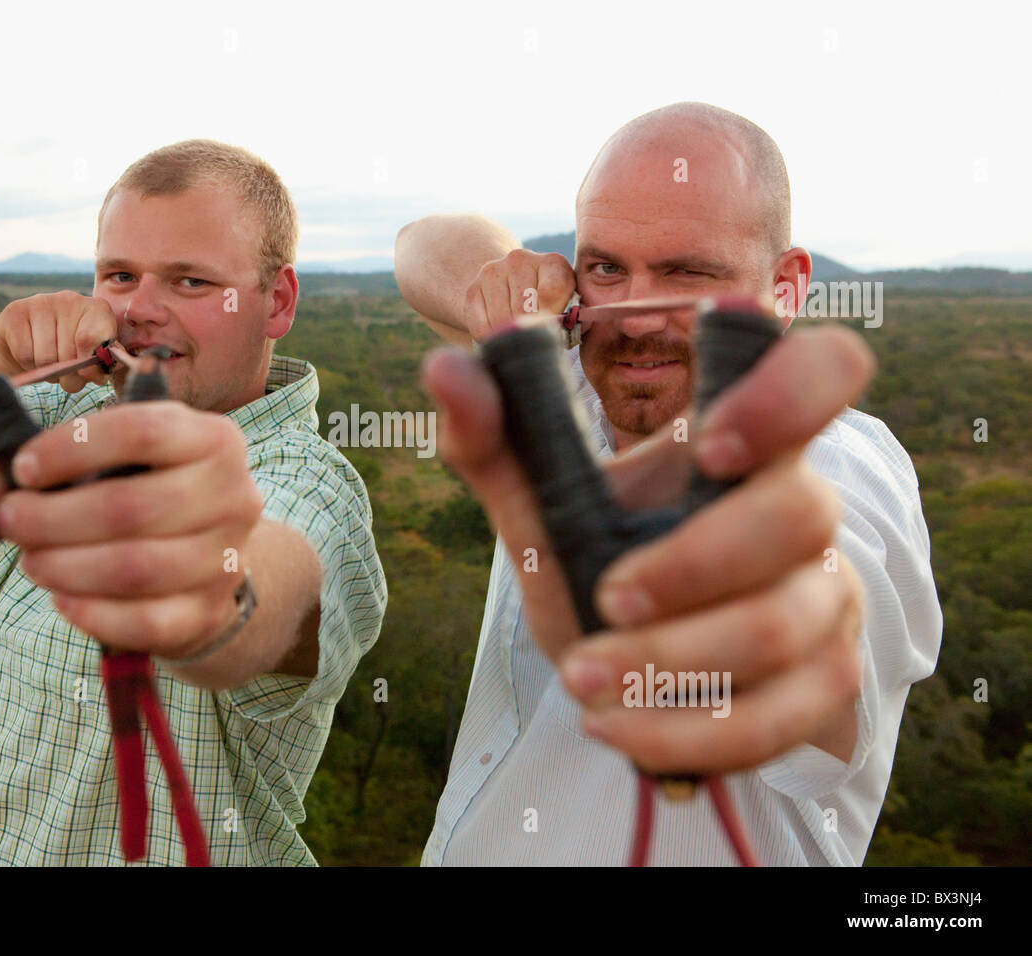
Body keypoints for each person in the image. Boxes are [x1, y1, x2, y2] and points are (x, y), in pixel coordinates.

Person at [0, 139, 386, 865]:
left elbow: (261, 600)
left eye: (191, 282)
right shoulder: (57, 419)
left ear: (278, 302)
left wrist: (192, 570)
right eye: (119, 274)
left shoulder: (307, 482)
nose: (139, 309)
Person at [395, 102, 942, 865]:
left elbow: (818, 605)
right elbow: (418, 245)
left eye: (686, 272)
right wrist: (507, 291)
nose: (634, 317)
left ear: (786, 287)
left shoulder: (839, 464)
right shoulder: (578, 387)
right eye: (607, 267)